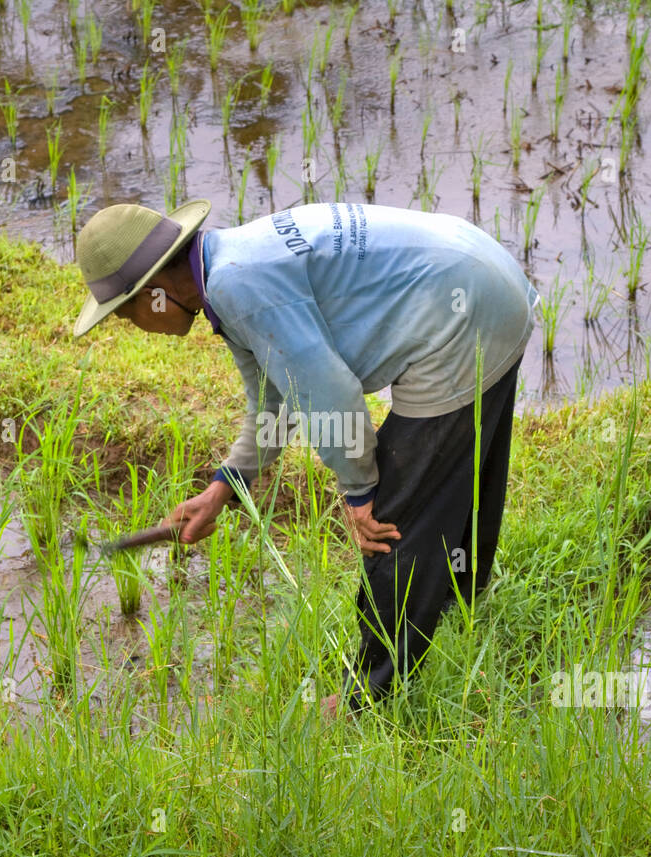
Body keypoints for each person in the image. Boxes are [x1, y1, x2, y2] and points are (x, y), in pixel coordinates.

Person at [72, 199, 538, 717]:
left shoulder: (237, 286)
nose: (130, 326)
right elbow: (275, 401)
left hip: (463, 315)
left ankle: (369, 698)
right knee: (463, 466)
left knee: (391, 519)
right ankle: (460, 605)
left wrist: (360, 492)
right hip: (488, 281)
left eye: (124, 313)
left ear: (154, 294)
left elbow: (330, 392)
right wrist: (223, 490)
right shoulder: (228, 270)